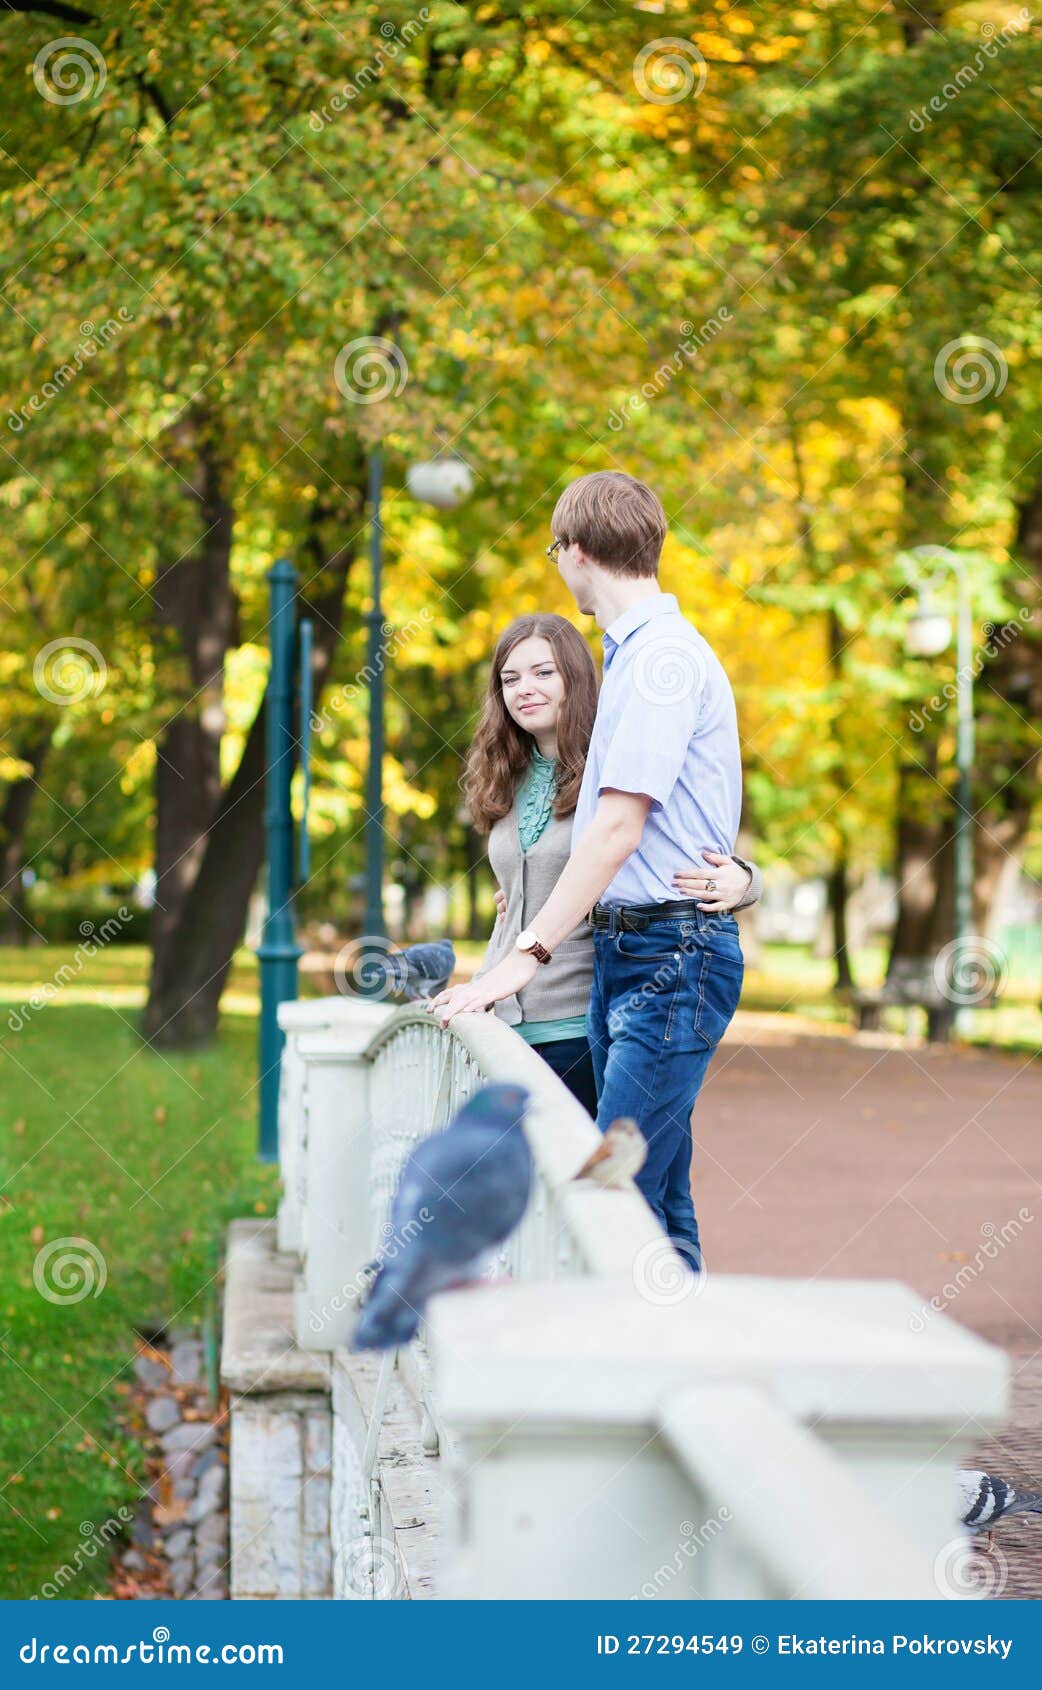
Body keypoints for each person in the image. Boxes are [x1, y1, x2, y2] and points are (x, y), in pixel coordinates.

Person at [429, 472, 751, 1269]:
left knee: (616, 1185)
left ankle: (631, 1375)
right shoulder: (639, 659)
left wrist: (521, 960)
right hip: (633, 950)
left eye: (553, 552)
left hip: (670, 954)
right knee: (653, 1188)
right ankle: (669, 1368)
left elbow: (613, 831)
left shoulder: (659, 664)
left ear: (574, 553)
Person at [450, 602, 760, 1131]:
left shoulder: (611, 766)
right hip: (502, 1015)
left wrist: (747, 879)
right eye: (510, 678)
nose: (525, 688)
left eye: (543, 672)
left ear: (575, 679)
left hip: (579, 1018)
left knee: (595, 1182)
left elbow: (666, 845)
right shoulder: (504, 775)